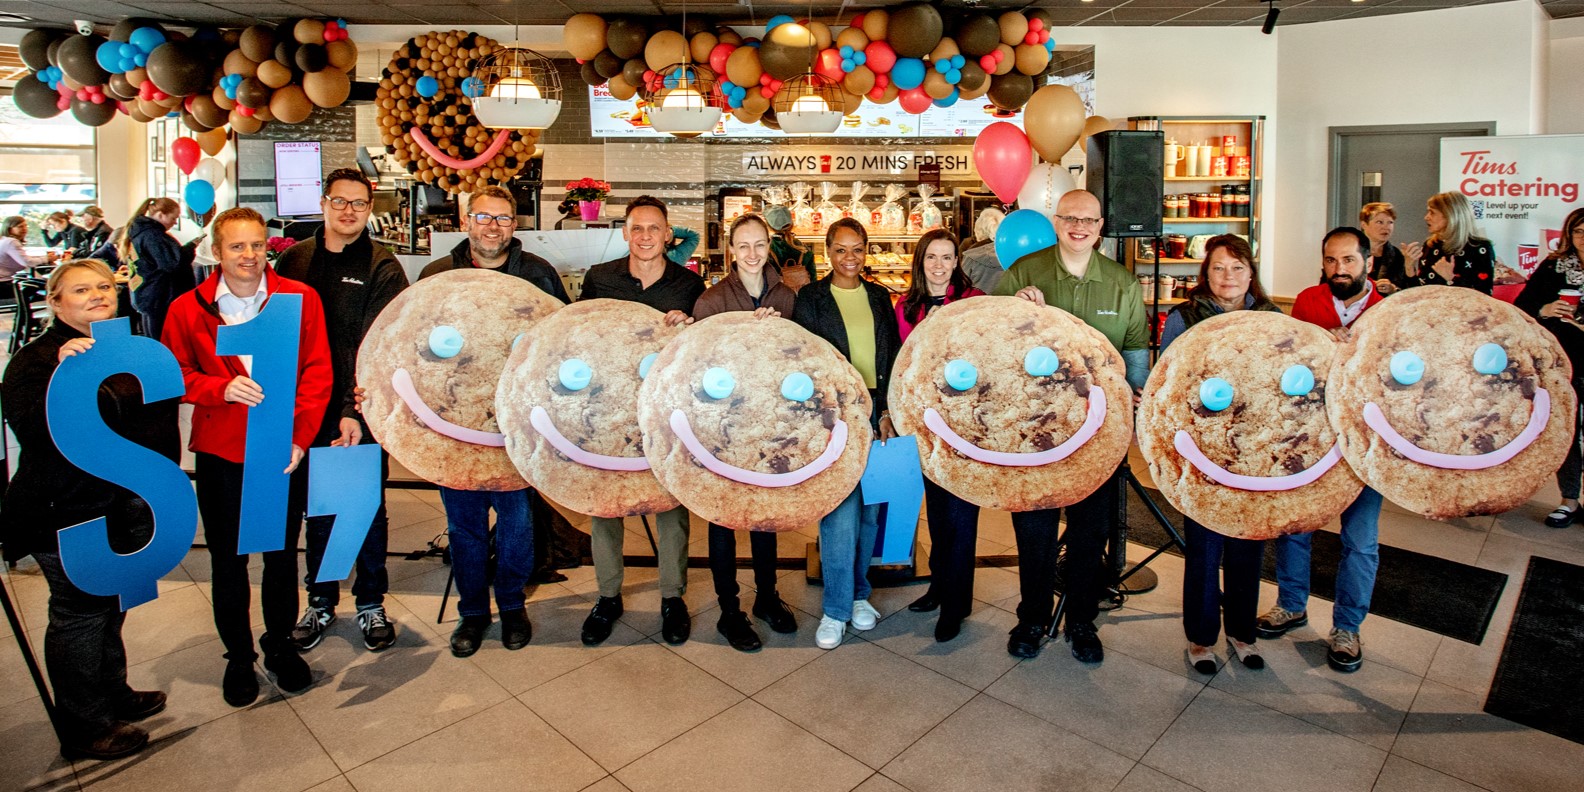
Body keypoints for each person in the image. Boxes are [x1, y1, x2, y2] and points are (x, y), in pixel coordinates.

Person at [0, 259, 179, 760]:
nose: (98, 295)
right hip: (65, 510)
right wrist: (69, 372)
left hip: (120, 503)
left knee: (110, 606)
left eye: (104, 285)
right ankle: (85, 725)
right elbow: (40, 432)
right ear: (55, 302)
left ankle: (112, 694)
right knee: (79, 613)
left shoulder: (127, 349)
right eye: (81, 290)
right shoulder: (35, 363)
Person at [160, 207, 333, 705]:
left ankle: (279, 646)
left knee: (280, 557)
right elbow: (177, 375)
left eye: (257, 245)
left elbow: (317, 373)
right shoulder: (187, 309)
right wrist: (220, 388)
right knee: (228, 561)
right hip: (221, 452)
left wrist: (299, 438)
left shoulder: (299, 299)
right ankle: (238, 657)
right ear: (217, 252)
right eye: (237, 246)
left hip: (281, 453)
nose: (250, 256)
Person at [993, 189, 1150, 664]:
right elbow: (995, 345)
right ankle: (1032, 616)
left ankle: (1082, 618)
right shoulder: (1025, 272)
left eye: (1089, 220)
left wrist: (1134, 405)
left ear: (1101, 226)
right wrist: (1016, 312)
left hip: (1100, 435)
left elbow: (1136, 354)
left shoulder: (1122, 282)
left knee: (1089, 531)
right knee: (1034, 527)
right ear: (1055, 221)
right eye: (1069, 218)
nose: (1079, 226)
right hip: (1035, 432)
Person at [420, 185, 569, 657]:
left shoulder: (538, 275)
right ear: (467, 220)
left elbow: (562, 341)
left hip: (516, 427)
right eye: (484, 217)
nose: (493, 226)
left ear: (515, 224)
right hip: (456, 426)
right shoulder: (438, 275)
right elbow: (415, 347)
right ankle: (472, 613)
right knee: (463, 524)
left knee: (517, 522)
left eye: (503, 218)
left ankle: (510, 605)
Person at [276, 168, 410, 653]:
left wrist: (352, 410)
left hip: (359, 407)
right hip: (302, 408)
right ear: (324, 201)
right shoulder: (294, 261)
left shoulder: (382, 265)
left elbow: (379, 344)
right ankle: (320, 599)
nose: (349, 211)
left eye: (359, 203)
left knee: (364, 508)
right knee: (318, 508)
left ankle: (370, 602)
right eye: (340, 201)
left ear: (369, 209)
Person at [577, 195, 704, 647]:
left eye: (654, 228)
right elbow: (578, 334)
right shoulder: (600, 278)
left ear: (668, 234)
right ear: (626, 232)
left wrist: (687, 324)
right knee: (604, 502)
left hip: (662, 410)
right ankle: (608, 595)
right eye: (637, 228)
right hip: (607, 409)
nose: (646, 236)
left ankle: (672, 596)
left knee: (671, 500)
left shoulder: (688, 283)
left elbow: (696, 347)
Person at [1259, 227, 1386, 673]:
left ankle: (1347, 628)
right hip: (1311, 436)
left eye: (1349, 260)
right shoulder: (1308, 301)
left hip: (1368, 442)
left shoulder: (1388, 308)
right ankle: (1291, 604)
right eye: (1331, 261)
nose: (1339, 270)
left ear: (1369, 260)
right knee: (1296, 524)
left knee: (1361, 538)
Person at [1157, 236, 1280, 674]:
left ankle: (1243, 633)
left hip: (1254, 451)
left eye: (1236, 268)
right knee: (1205, 549)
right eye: (1218, 268)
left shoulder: (1271, 319)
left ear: (1251, 272)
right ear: (1204, 274)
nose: (1228, 277)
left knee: (1249, 543)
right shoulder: (1184, 317)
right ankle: (1201, 638)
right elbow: (1167, 381)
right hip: (1202, 450)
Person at [691, 213, 800, 652]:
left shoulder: (787, 296)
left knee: (764, 516)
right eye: (744, 246)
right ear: (731, 250)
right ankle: (728, 610)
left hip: (770, 425)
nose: (752, 254)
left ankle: (767, 598)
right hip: (722, 429)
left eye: (760, 245)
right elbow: (697, 368)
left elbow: (799, 358)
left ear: (768, 246)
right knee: (723, 518)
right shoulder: (712, 300)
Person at [792, 217, 902, 650]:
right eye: (840, 249)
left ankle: (859, 594)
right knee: (839, 509)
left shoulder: (879, 297)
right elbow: (805, 359)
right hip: (834, 412)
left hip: (875, 410)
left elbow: (889, 354)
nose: (850, 258)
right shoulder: (811, 298)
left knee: (871, 510)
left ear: (866, 251)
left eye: (857, 249)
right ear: (827, 253)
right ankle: (835, 609)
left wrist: (890, 408)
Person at [896, 229, 985, 642]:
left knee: (962, 517)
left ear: (956, 263)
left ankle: (956, 604)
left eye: (947, 257)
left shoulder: (973, 302)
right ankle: (938, 586)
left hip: (964, 425)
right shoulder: (906, 306)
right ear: (921, 261)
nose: (938, 265)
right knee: (936, 511)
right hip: (925, 424)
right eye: (932, 257)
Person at [1516, 207, 1584, 528]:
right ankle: (1569, 500)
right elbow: (1523, 306)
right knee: (1566, 431)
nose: (1583, 238)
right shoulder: (1554, 266)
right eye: (1578, 231)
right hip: (1564, 362)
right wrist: (1544, 308)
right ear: (1568, 235)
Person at [125, 197, 194, 340]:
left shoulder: (140, 232)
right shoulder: (153, 236)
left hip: (147, 294)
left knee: (153, 337)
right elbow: (171, 264)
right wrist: (189, 249)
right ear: (161, 214)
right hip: (159, 296)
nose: (175, 222)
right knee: (162, 340)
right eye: (173, 218)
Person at [1407, 191, 1495, 294]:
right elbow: (1418, 294)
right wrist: (1409, 267)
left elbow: (1484, 297)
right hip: (1429, 309)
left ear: (1450, 215)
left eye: (1432, 212)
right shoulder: (1430, 245)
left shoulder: (1480, 247)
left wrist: (1451, 279)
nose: (1426, 217)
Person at [1360, 202, 1413, 295]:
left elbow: (1407, 291)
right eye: (1379, 222)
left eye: (1390, 222)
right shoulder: (1351, 250)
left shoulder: (1396, 255)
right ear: (1364, 225)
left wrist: (1393, 289)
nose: (1386, 227)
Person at [765, 205, 816, 290]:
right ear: (791, 224)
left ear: (768, 226)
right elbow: (813, 280)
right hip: (801, 297)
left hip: (778, 298)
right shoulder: (803, 248)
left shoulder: (767, 249)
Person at [960, 207, 1006, 295]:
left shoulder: (970, 256)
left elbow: (959, 288)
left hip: (976, 305)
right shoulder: (1015, 255)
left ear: (977, 228)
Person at [0, 215, 43, 281]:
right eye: (20, 226)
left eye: (25, 226)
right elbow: (27, 262)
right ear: (9, 229)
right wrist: (46, 258)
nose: (24, 229)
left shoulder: (4, 240)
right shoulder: (11, 242)